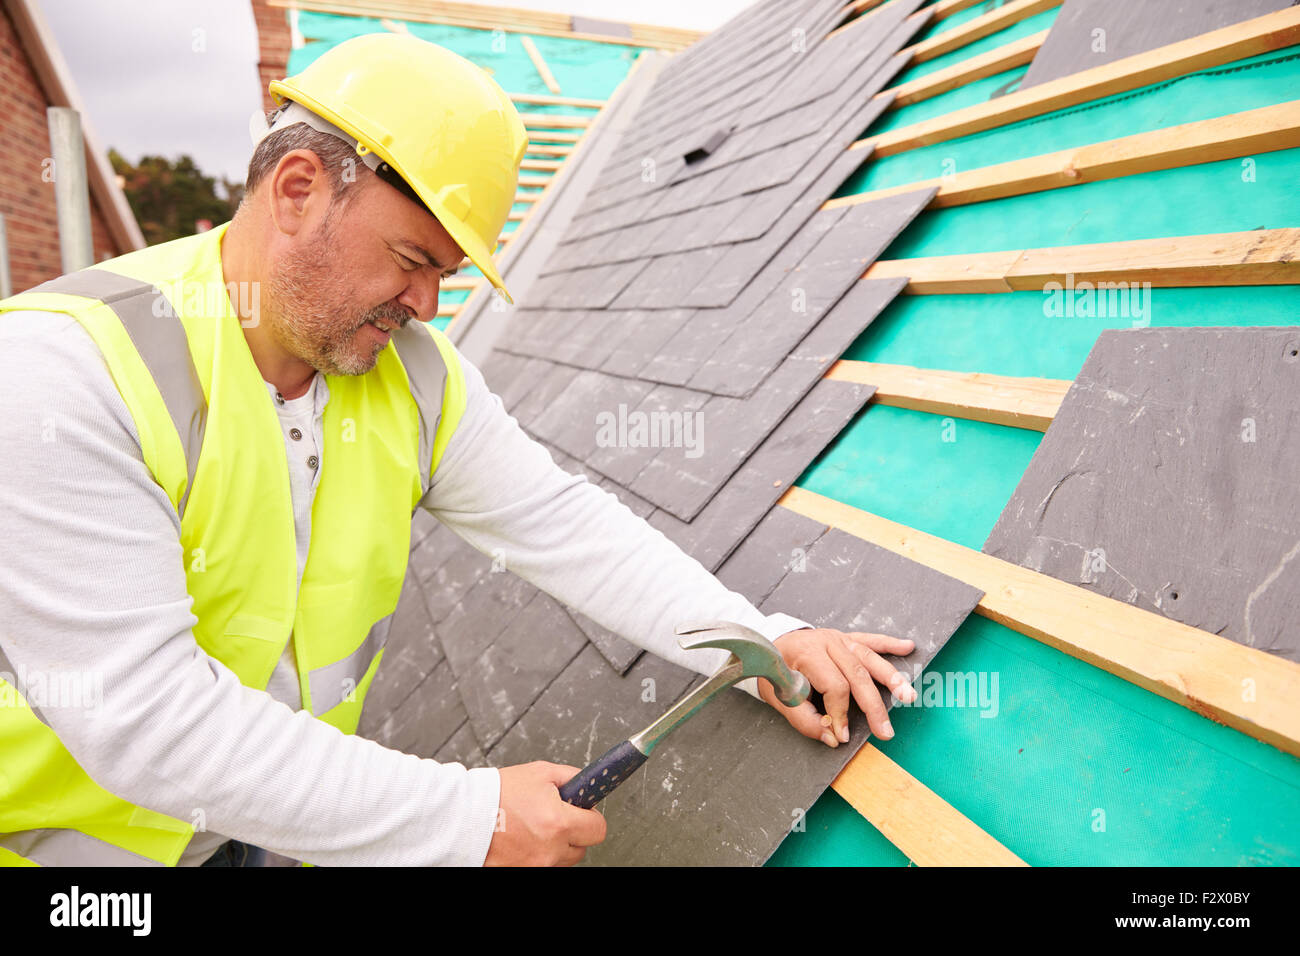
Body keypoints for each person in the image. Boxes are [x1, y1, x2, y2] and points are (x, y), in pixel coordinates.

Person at [0, 34, 917, 868]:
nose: (428, 305)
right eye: (412, 258)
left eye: (445, 272)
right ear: (298, 191)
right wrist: (468, 818)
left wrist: (761, 638)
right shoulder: (64, 373)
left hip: (273, 826)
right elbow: (146, 720)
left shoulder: (413, 377)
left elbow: (557, 524)